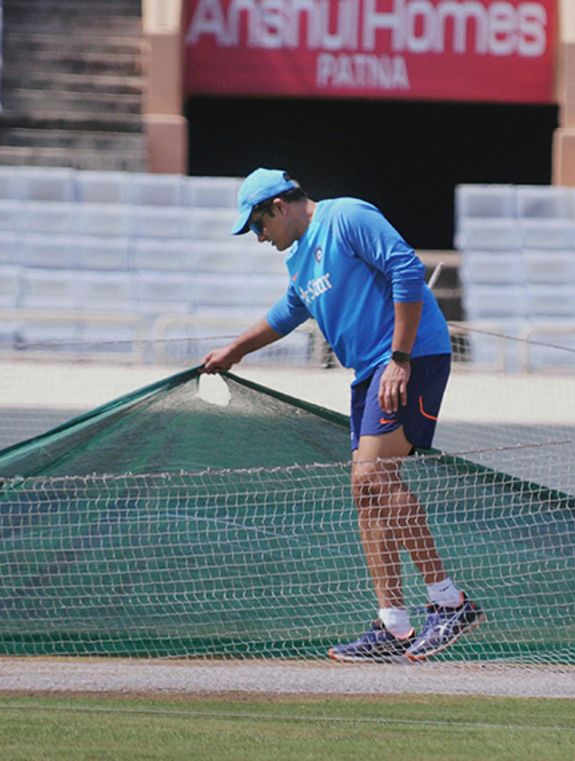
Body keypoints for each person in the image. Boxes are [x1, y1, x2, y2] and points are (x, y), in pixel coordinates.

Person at [201, 168, 484, 662]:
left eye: (258, 225)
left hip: (407, 358)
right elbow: (286, 314)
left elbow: (405, 269)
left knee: (375, 475)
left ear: (280, 207)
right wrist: (234, 351)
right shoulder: (299, 263)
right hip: (369, 371)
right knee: (364, 488)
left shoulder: (345, 215)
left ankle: (449, 601)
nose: (258, 237)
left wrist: (400, 358)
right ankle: (393, 625)